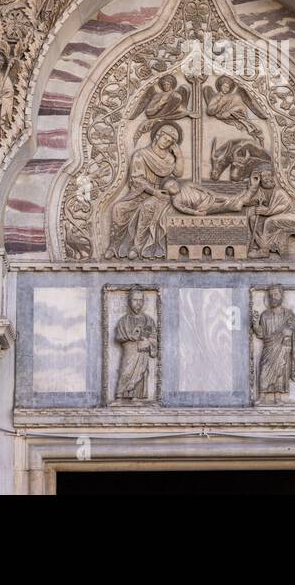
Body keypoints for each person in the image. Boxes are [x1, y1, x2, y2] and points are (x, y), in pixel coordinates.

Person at [108, 122, 183, 258]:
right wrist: (152, 191)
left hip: (161, 196)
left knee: (147, 206)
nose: (167, 142)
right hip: (140, 193)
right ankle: (114, 246)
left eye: (170, 141)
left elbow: (178, 173)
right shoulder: (141, 155)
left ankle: (137, 248)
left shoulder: (169, 158)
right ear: (158, 136)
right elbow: (137, 179)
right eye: (165, 138)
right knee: (119, 208)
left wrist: (179, 156)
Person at [250, 285, 295, 401]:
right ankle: (262, 396)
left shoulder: (288, 314)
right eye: (271, 295)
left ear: (281, 296)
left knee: (281, 371)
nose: (273, 297)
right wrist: (255, 324)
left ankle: (278, 397)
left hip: (282, 348)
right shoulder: (265, 315)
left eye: (276, 294)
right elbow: (260, 334)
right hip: (268, 348)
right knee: (264, 371)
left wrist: (290, 331)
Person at [113, 287, 157, 400]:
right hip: (129, 354)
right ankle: (120, 394)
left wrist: (149, 342)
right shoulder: (123, 321)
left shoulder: (149, 320)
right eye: (135, 300)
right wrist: (131, 337)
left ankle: (137, 397)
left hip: (142, 354)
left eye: (141, 300)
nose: (138, 303)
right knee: (125, 372)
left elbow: (154, 338)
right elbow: (118, 336)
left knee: (142, 374)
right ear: (129, 301)